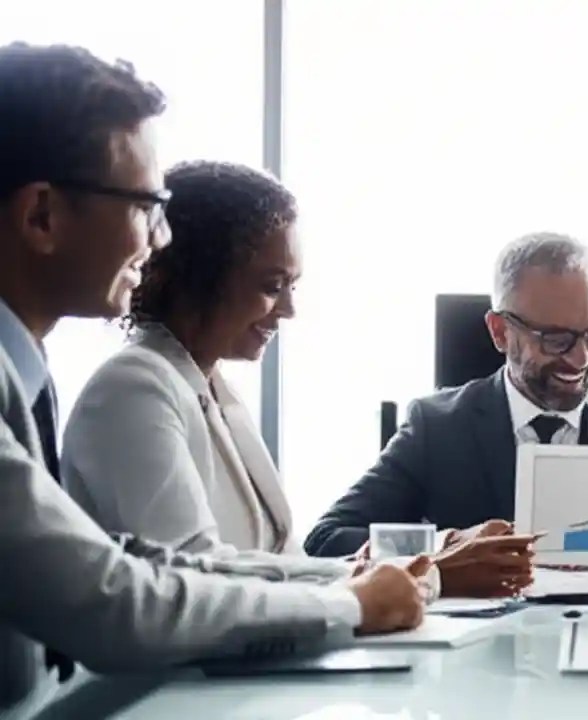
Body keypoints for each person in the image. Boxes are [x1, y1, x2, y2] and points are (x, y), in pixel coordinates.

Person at [0, 43, 424, 713]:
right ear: (42, 217)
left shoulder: (26, 374)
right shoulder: (123, 385)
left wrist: (351, 583)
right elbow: (112, 602)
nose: (160, 239)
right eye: (145, 205)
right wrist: (343, 606)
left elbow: (123, 559)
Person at [61, 160, 535, 598]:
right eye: (272, 286)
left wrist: (411, 565)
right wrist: (429, 576)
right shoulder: (134, 391)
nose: (288, 309)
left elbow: (277, 562)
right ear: (200, 276)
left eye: (293, 286)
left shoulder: (209, 389)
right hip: (166, 686)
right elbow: (192, 579)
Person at [305, 233, 588, 573]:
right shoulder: (437, 427)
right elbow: (326, 540)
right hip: (476, 668)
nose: (580, 358)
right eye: (556, 339)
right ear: (501, 333)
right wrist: (449, 546)